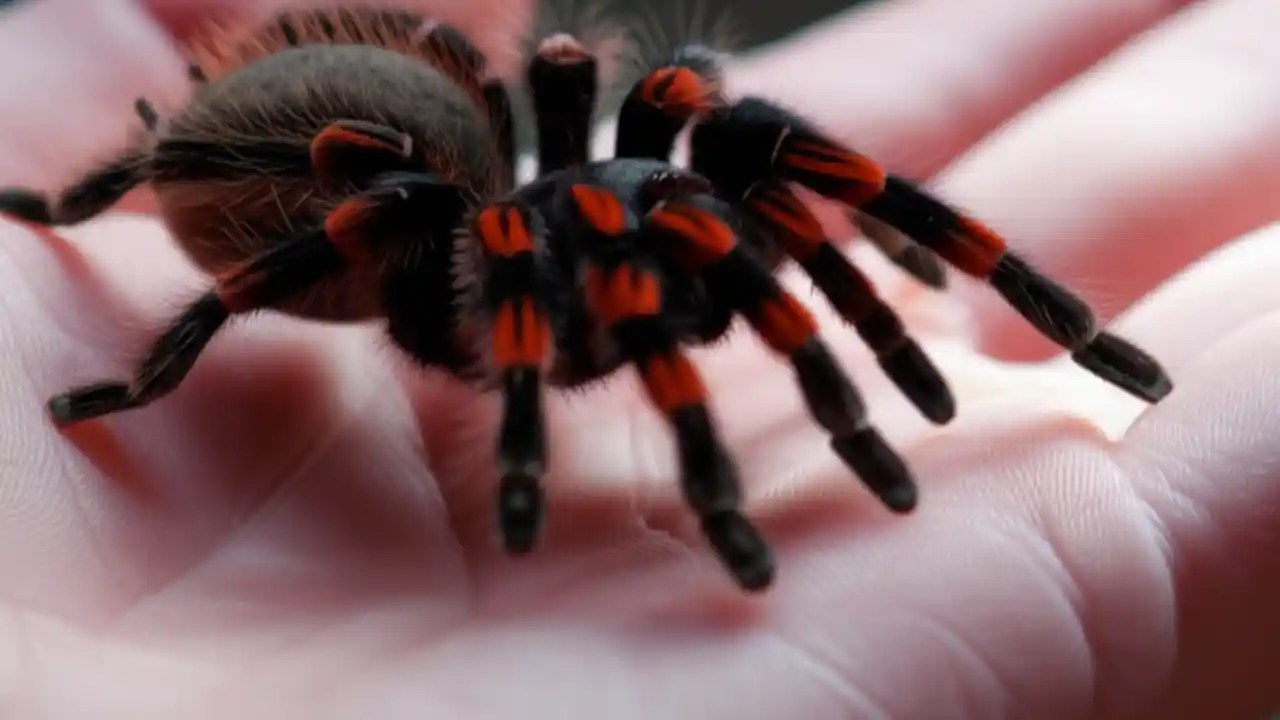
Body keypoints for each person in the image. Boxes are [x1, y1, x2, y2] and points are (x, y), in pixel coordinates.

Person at [0, 0, 1276, 717]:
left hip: (449, 181)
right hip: (318, 200)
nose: (730, 246)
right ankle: (722, 484)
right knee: (495, 210)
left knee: (699, 136)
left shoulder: (634, 190)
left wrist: (887, 283)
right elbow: (528, 229)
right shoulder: (499, 223)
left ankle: (1075, 334)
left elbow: (726, 187)